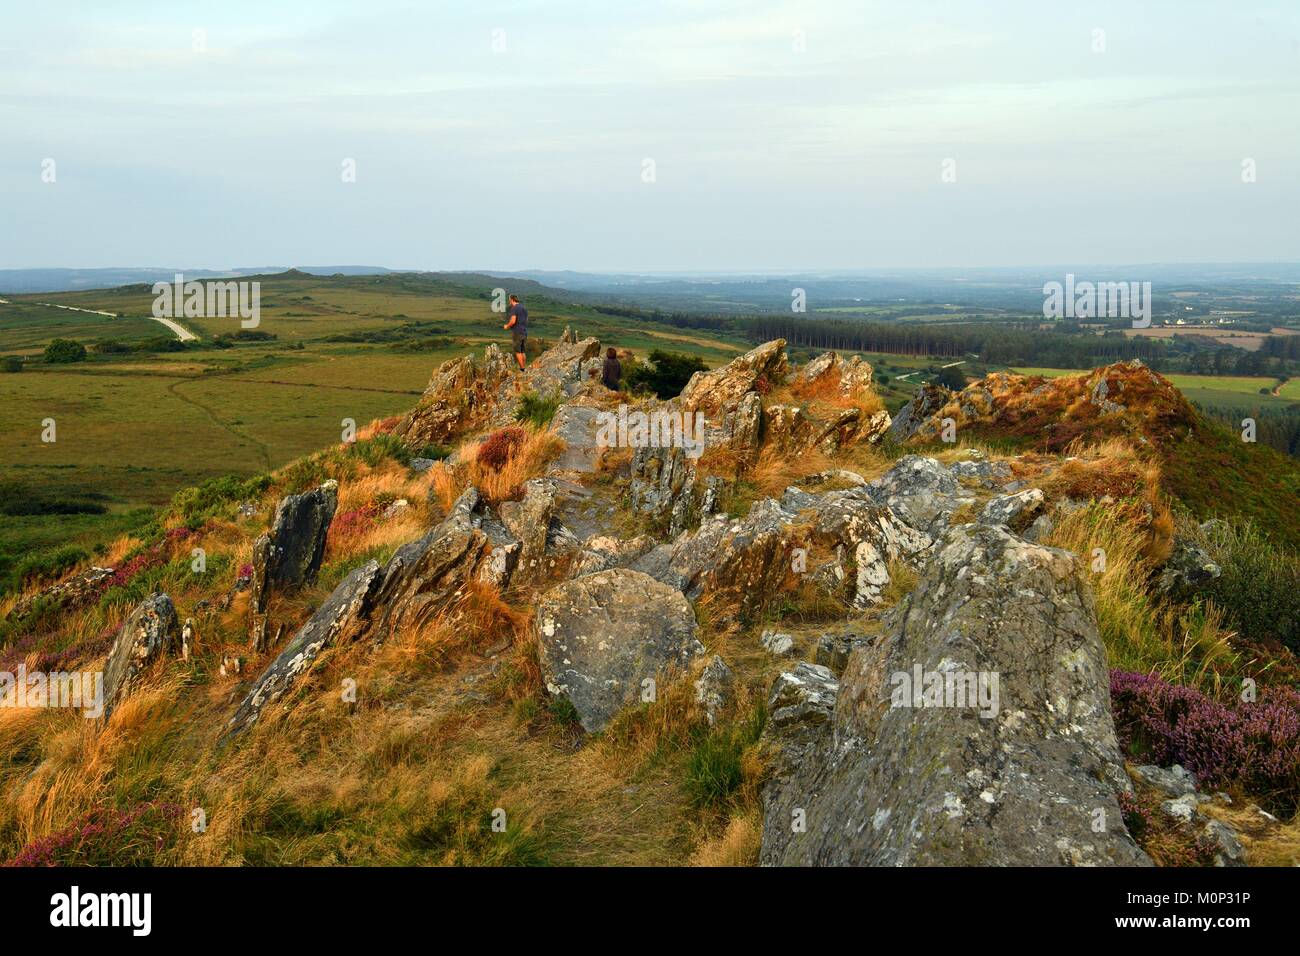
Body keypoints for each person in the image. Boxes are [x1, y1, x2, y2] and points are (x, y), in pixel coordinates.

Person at [503, 294, 527, 371]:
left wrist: (507, 326)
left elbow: (513, 321)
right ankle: (525, 368)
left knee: (517, 351)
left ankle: (522, 369)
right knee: (522, 351)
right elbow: (526, 320)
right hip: (524, 331)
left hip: (517, 332)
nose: (509, 301)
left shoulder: (514, 308)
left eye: (509, 299)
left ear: (512, 299)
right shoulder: (523, 308)